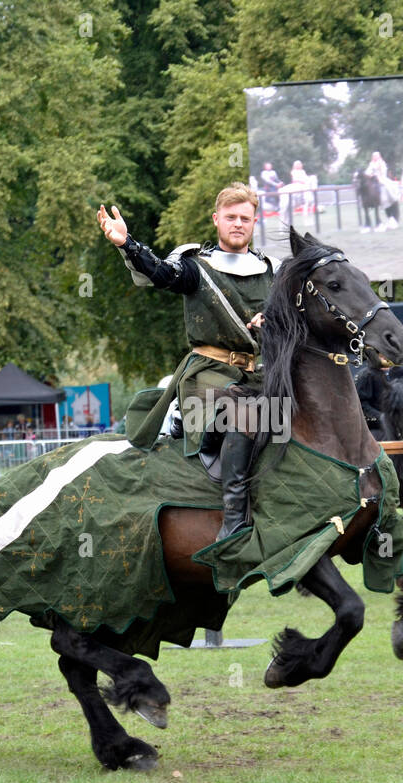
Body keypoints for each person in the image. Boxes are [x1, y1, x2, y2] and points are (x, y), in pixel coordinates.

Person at [98, 182, 278, 540]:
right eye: (230, 217)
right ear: (216, 220)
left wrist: (270, 324)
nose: (238, 223)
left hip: (254, 375)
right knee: (239, 412)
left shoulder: (270, 271)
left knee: (288, 416)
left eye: (245, 218)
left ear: (255, 222)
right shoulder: (197, 266)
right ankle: (234, 521)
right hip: (207, 375)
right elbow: (162, 275)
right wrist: (126, 243)